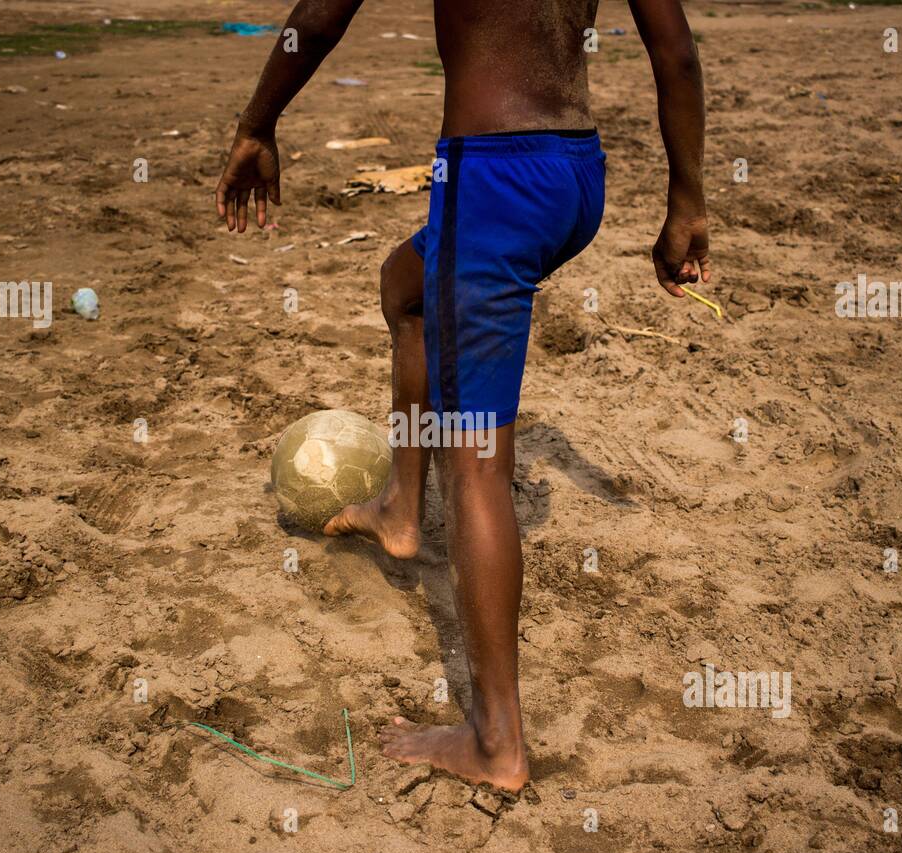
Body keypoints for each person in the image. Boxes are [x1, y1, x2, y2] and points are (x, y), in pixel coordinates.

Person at [216, 0, 710, 791]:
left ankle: (496, 741)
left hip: (493, 181)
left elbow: (319, 16)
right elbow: (674, 48)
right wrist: (687, 202)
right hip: (575, 175)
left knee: (477, 460)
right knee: (405, 289)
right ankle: (403, 512)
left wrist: (257, 125)